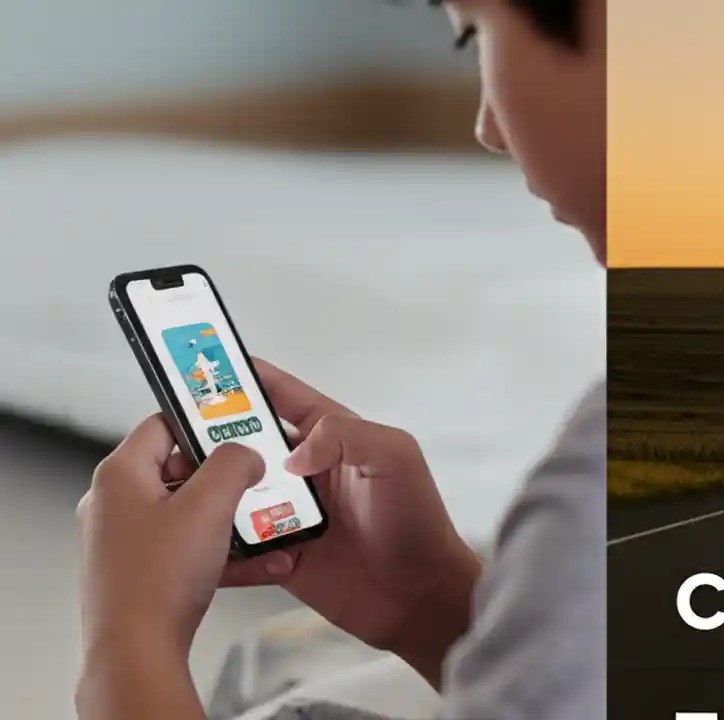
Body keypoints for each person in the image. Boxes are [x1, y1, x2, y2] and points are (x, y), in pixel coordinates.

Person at [75, 0, 605, 717]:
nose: (486, 127)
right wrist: (427, 603)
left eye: (474, 35)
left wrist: (127, 643)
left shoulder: (604, 485)